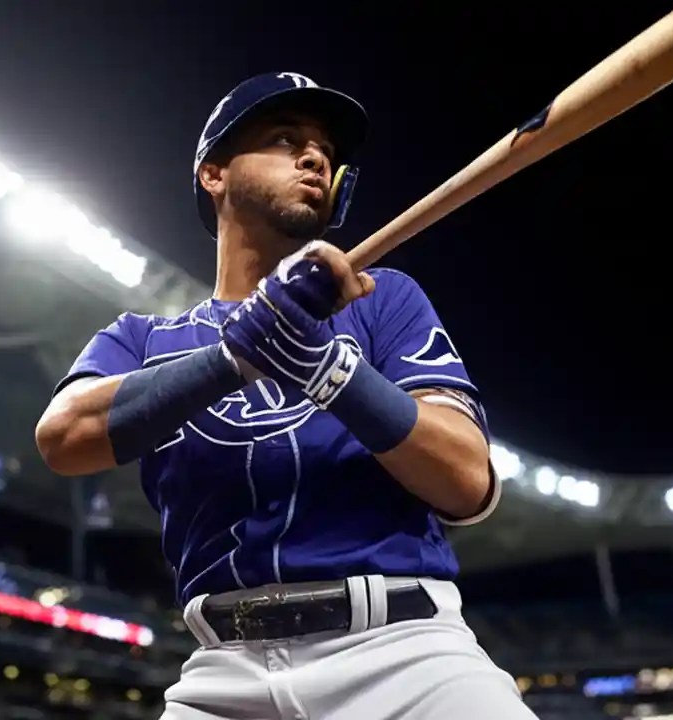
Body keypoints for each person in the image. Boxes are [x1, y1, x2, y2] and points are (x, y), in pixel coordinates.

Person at [36, 72, 536, 719]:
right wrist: (232, 358)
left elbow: (467, 481)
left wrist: (328, 369)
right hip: (223, 674)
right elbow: (63, 439)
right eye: (283, 138)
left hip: (404, 654)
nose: (314, 156)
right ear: (213, 173)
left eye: (325, 150)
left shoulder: (382, 300)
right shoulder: (141, 338)